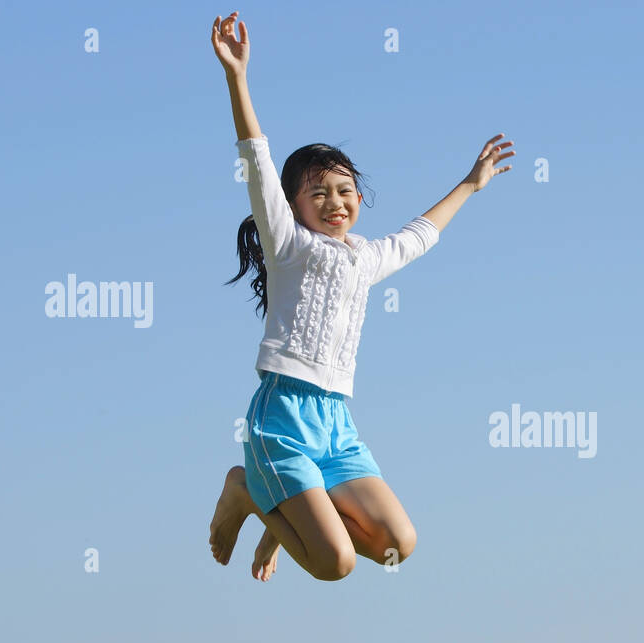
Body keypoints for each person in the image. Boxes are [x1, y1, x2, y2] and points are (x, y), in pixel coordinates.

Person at [206, 10, 513, 581]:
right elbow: (255, 159)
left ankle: (281, 514)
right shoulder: (288, 245)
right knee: (334, 564)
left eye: (345, 190)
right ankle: (248, 491)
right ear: (292, 205)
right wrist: (237, 78)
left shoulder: (365, 258)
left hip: (336, 425)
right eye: (317, 192)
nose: (335, 201)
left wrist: (470, 185)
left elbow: (421, 236)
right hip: (283, 417)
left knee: (397, 544)